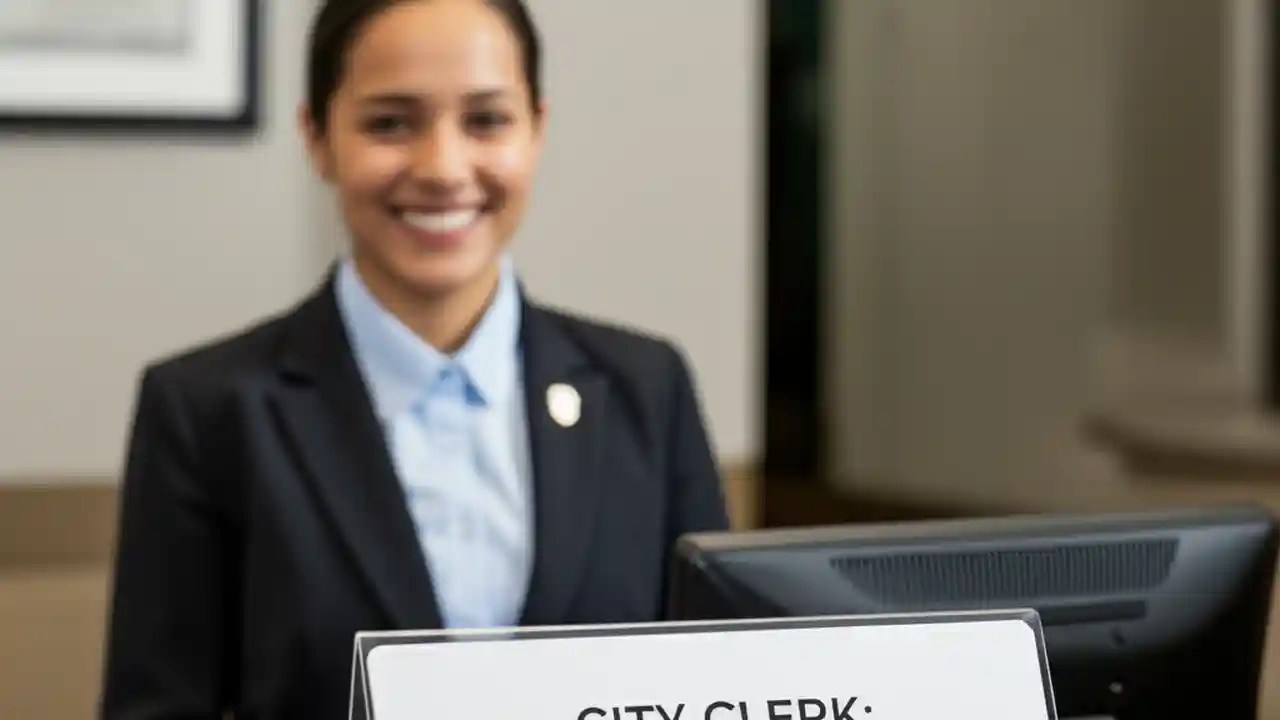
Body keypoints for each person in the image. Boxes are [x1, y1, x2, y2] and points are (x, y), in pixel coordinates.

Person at [99, 0, 729, 717]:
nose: (442, 167)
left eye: (486, 120)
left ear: (537, 130)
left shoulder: (646, 390)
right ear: (318, 137)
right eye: (390, 123)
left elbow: (719, 683)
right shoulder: (207, 410)